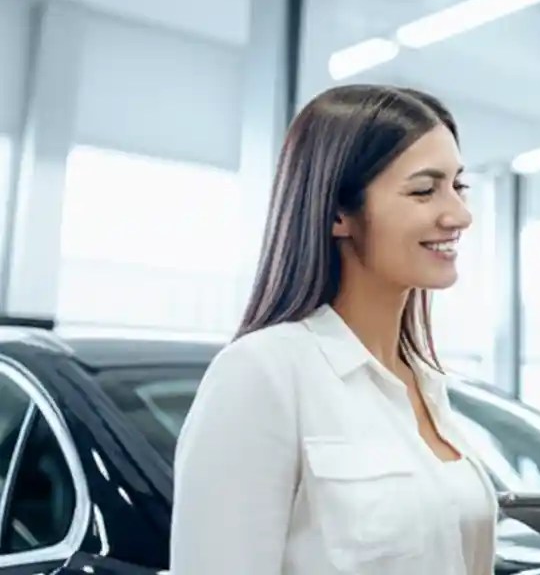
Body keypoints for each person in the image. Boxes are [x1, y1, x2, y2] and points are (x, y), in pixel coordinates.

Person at [171, 85, 495, 575]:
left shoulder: (424, 381)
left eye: (458, 186)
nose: (460, 215)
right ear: (338, 212)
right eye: (424, 190)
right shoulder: (262, 373)